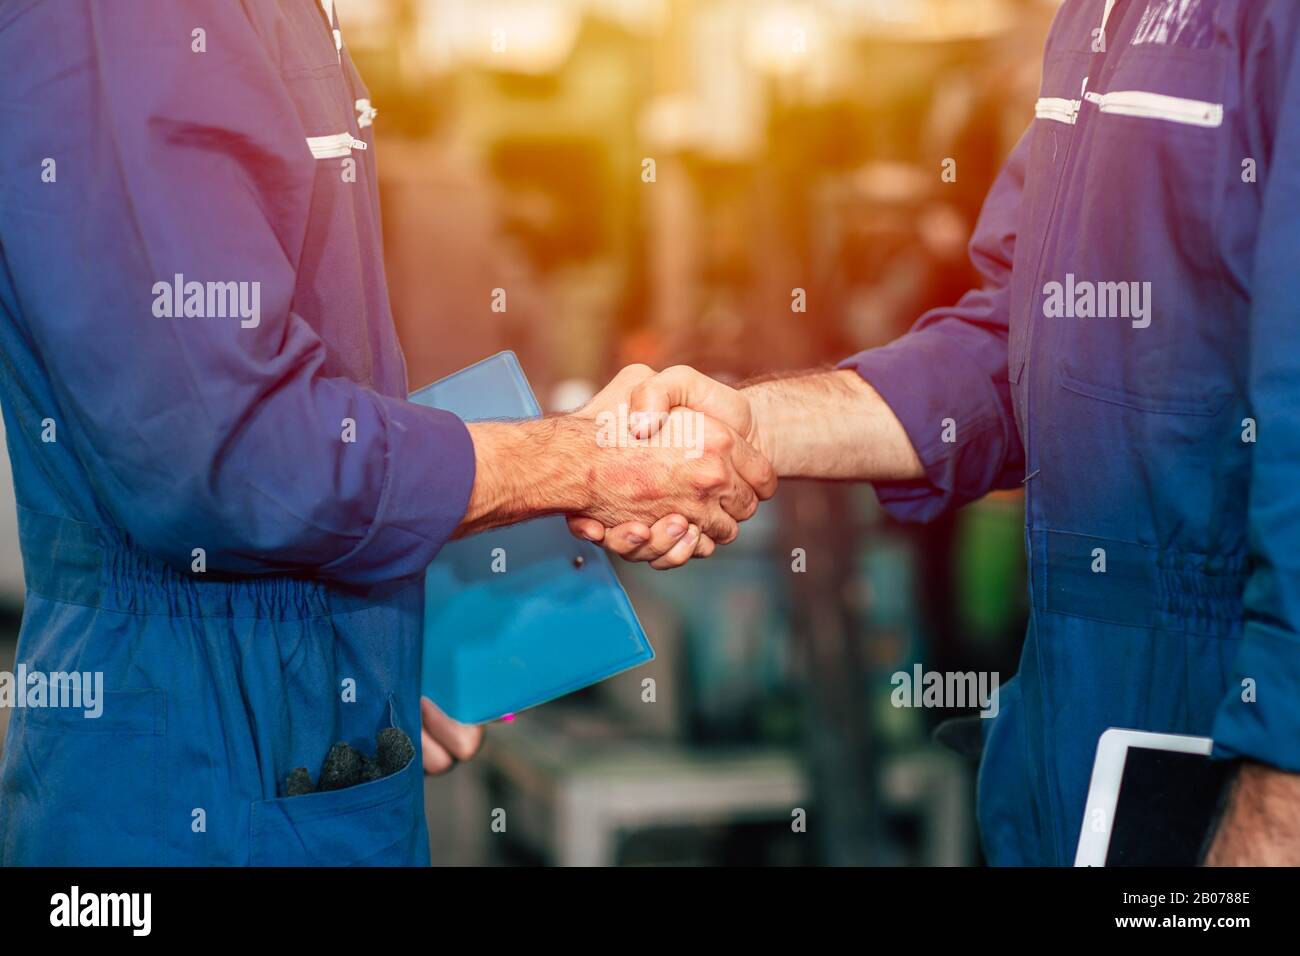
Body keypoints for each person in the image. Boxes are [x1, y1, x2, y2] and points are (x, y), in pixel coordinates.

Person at [0, 1, 773, 865]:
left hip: (295, 708)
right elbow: (226, 456)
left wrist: (369, 635)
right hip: (190, 752)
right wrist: (583, 460)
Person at [574, 0, 1300, 865]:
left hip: (1238, 723)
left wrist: (1279, 795)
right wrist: (753, 422)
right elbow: (1021, 341)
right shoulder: (1095, 20)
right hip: (1084, 729)